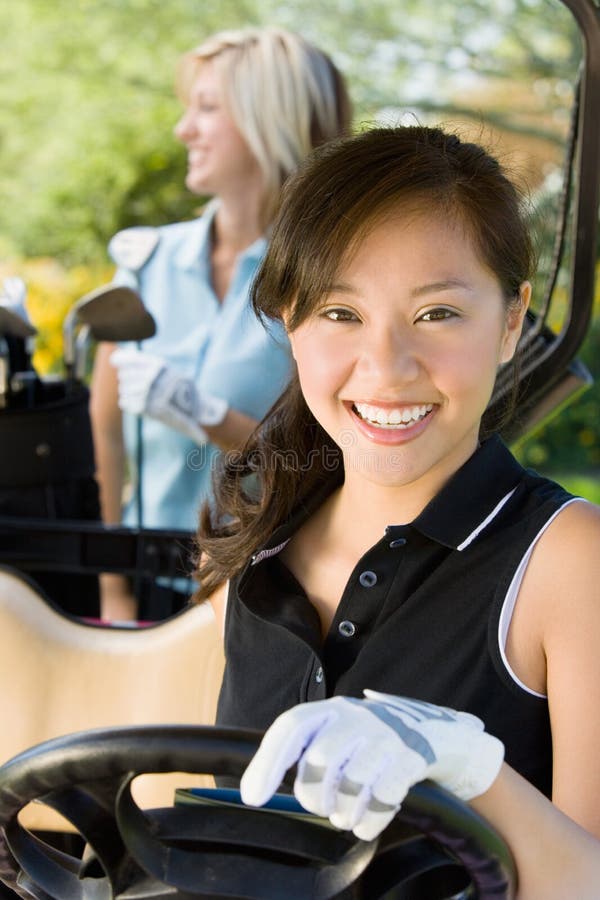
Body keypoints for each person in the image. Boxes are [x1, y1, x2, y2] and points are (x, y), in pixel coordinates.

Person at [196, 126, 600, 896]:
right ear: (290, 321)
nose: (387, 368)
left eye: (438, 314)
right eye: (341, 314)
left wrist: (475, 772)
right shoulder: (254, 558)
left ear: (512, 321)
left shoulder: (568, 559)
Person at [89, 27, 351, 621]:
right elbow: (102, 435)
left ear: (270, 121)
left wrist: (206, 416)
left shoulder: (328, 278)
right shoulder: (145, 263)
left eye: (207, 109)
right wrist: (114, 595)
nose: (184, 128)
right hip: (143, 582)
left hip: (268, 595)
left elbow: (328, 459)